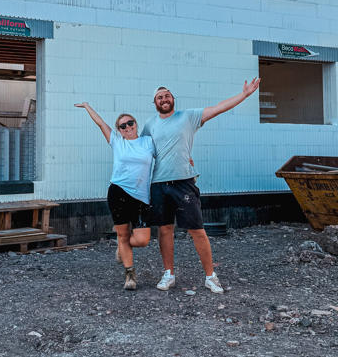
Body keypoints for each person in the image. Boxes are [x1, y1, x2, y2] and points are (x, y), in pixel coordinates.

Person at [141, 80, 260, 294]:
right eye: (160, 97)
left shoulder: (188, 116)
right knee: (165, 230)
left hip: (184, 182)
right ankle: (169, 274)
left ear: (173, 99)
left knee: (197, 229)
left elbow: (217, 108)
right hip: (158, 184)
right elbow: (141, 153)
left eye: (167, 95)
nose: (164, 99)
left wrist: (244, 95)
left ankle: (210, 276)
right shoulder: (150, 125)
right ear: (155, 102)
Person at [75, 102, 156, 290]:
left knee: (142, 240)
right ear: (119, 130)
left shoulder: (148, 142)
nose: (128, 127)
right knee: (123, 233)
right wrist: (87, 107)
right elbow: (101, 124)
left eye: (130, 123)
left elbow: (165, 155)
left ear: (136, 124)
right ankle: (130, 275)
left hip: (142, 197)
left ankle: (122, 246)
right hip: (118, 192)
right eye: (123, 125)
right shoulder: (117, 142)